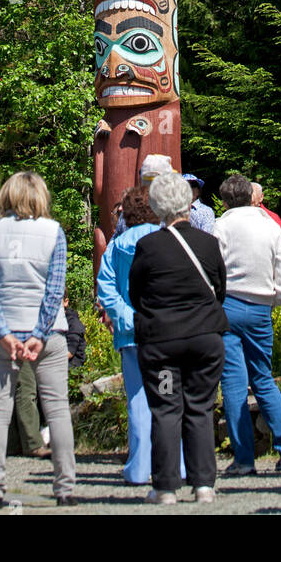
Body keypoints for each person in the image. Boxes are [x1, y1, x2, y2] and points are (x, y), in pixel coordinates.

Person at [0, 171, 77, 507]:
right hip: (47, 334)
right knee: (58, 409)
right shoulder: (54, 233)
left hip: (3, 333)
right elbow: (55, 289)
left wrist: (3, 332)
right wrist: (39, 333)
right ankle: (64, 487)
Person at [129, 172, 228, 505]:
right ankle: (204, 485)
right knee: (200, 407)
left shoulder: (148, 246)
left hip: (164, 348)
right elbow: (220, 291)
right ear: (189, 202)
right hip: (204, 342)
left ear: (157, 206)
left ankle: (166, 486)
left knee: (167, 408)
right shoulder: (209, 244)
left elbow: (136, 294)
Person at [215, 174, 281, 475]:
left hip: (228, 305)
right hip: (261, 307)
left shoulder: (222, 224)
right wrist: (275, 298)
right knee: (263, 378)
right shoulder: (269, 223)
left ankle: (243, 458)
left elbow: (215, 267)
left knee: (234, 382)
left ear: (226, 200)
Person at [96, 185, 160, 483]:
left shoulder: (118, 243)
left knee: (137, 399)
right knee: (168, 396)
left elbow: (105, 285)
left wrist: (124, 316)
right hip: (162, 333)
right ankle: (176, 464)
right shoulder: (165, 240)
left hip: (131, 334)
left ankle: (138, 467)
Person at [250, 182, 281, 255]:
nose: (251, 197)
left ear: (261, 197)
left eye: (253, 193)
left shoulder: (272, 217)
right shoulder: (237, 216)